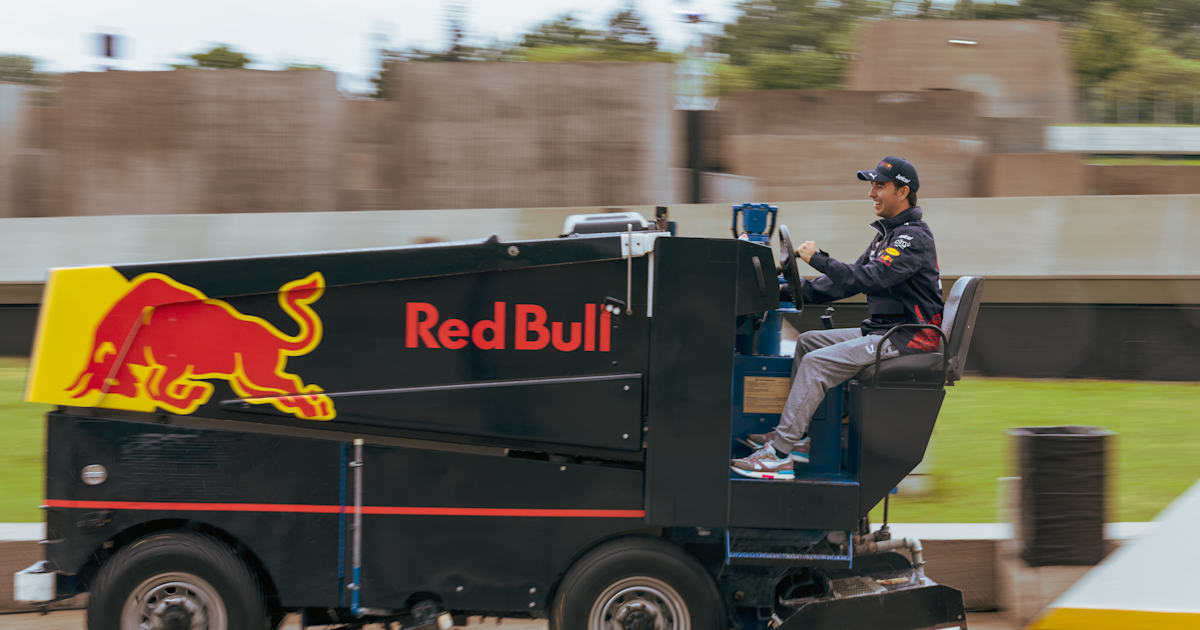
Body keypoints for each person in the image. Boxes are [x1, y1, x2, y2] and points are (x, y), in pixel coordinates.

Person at [731, 156, 944, 480]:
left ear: (903, 192)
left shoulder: (911, 238)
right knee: (808, 343)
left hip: (907, 338)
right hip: (885, 331)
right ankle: (799, 438)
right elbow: (844, 283)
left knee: (817, 363)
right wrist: (784, 291)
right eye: (872, 186)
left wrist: (817, 258)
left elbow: (869, 278)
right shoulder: (888, 235)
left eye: (880, 186)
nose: (871, 193)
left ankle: (779, 456)